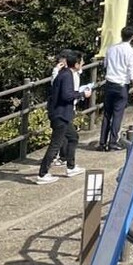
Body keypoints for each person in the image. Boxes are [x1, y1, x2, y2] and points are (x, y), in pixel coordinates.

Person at [36, 51, 91, 183]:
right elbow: (66, 95)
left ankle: (71, 167)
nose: (83, 63)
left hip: (61, 114)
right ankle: (42, 174)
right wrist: (82, 94)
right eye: (81, 62)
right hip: (60, 114)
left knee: (73, 138)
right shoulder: (67, 75)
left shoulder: (65, 73)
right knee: (56, 144)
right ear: (76, 64)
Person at [99, 26, 133, 151]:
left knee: (107, 114)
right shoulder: (131, 52)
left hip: (109, 83)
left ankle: (102, 143)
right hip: (121, 85)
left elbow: (105, 65)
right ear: (132, 37)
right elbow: (132, 72)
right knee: (117, 114)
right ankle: (112, 142)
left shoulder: (111, 49)